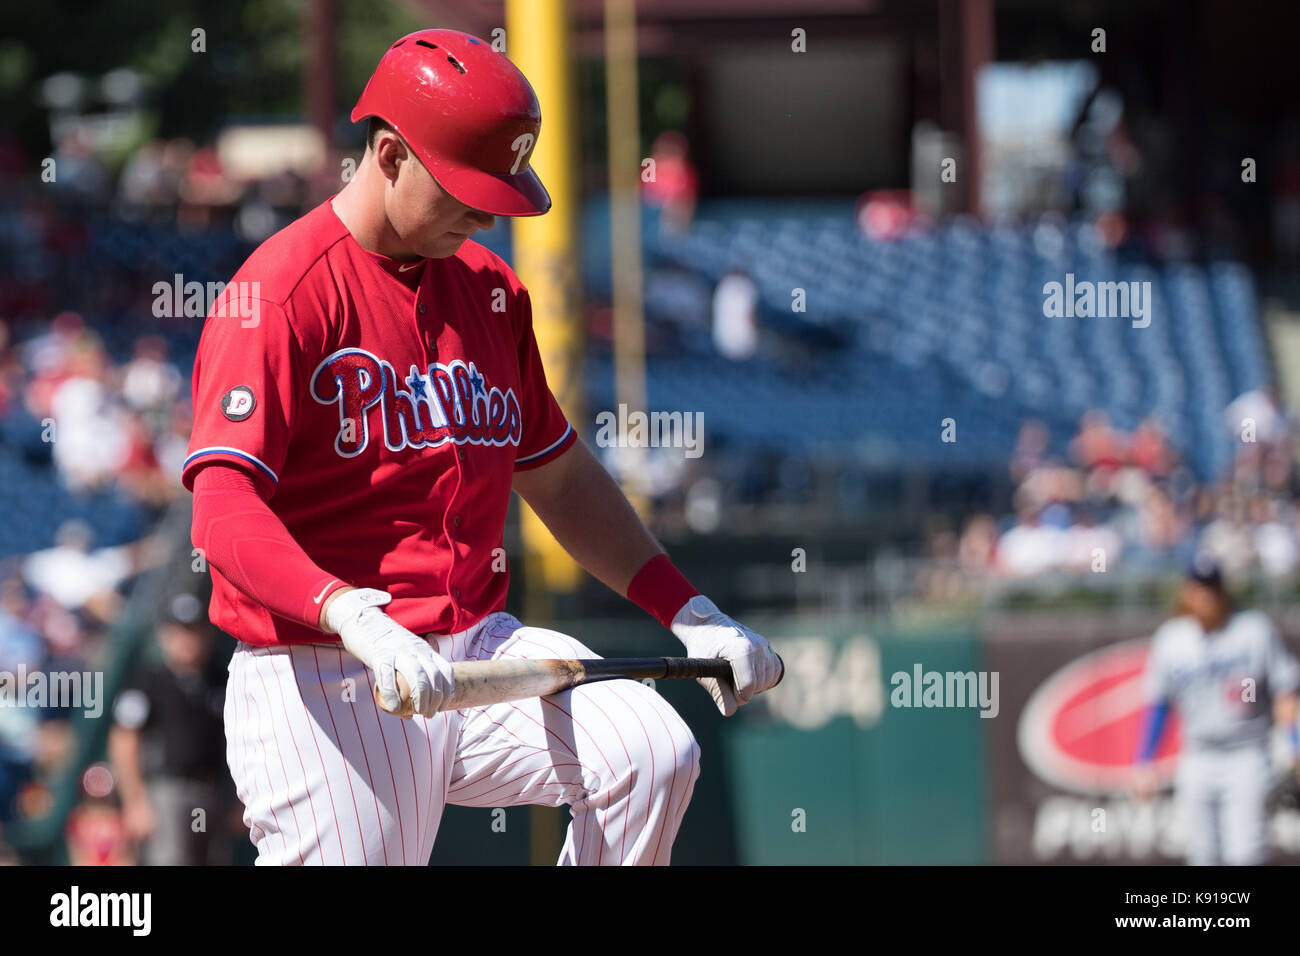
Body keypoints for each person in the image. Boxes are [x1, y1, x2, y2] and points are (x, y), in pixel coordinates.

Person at [183, 29, 781, 867]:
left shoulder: (490, 292)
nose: (486, 212)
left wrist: (689, 610)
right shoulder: (279, 294)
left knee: (651, 753)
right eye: (467, 189)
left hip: (477, 644)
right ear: (389, 154)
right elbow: (220, 508)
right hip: (324, 675)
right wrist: (348, 610)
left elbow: (561, 476)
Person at [1133, 557, 1300, 865]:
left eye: (1212, 588)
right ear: (1186, 591)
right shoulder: (1173, 639)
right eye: (1199, 588)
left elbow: (1286, 692)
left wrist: (1296, 746)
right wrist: (1144, 761)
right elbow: (1159, 704)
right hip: (1197, 755)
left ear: (1223, 591)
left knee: (1246, 853)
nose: (1206, 596)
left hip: (1247, 754)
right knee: (1202, 854)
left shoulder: (1253, 630)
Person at [109, 594, 233, 865]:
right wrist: (135, 801)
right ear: (165, 635)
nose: (188, 640)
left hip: (213, 792)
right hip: (167, 792)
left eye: (194, 631)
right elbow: (123, 740)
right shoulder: (148, 681)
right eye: (180, 631)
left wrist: (238, 797)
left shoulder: (219, 678)